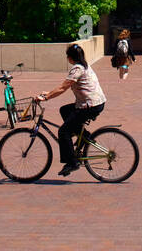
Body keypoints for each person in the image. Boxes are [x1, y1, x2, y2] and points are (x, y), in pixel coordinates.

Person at [37, 44, 106, 176]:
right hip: (95, 103)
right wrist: (48, 93)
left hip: (89, 106)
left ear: (70, 57)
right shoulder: (85, 65)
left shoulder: (77, 69)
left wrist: (46, 98)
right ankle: (84, 135)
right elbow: (63, 87)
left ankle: (72, 162)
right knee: (65, 110)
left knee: (63, 132)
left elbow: (63, 88)